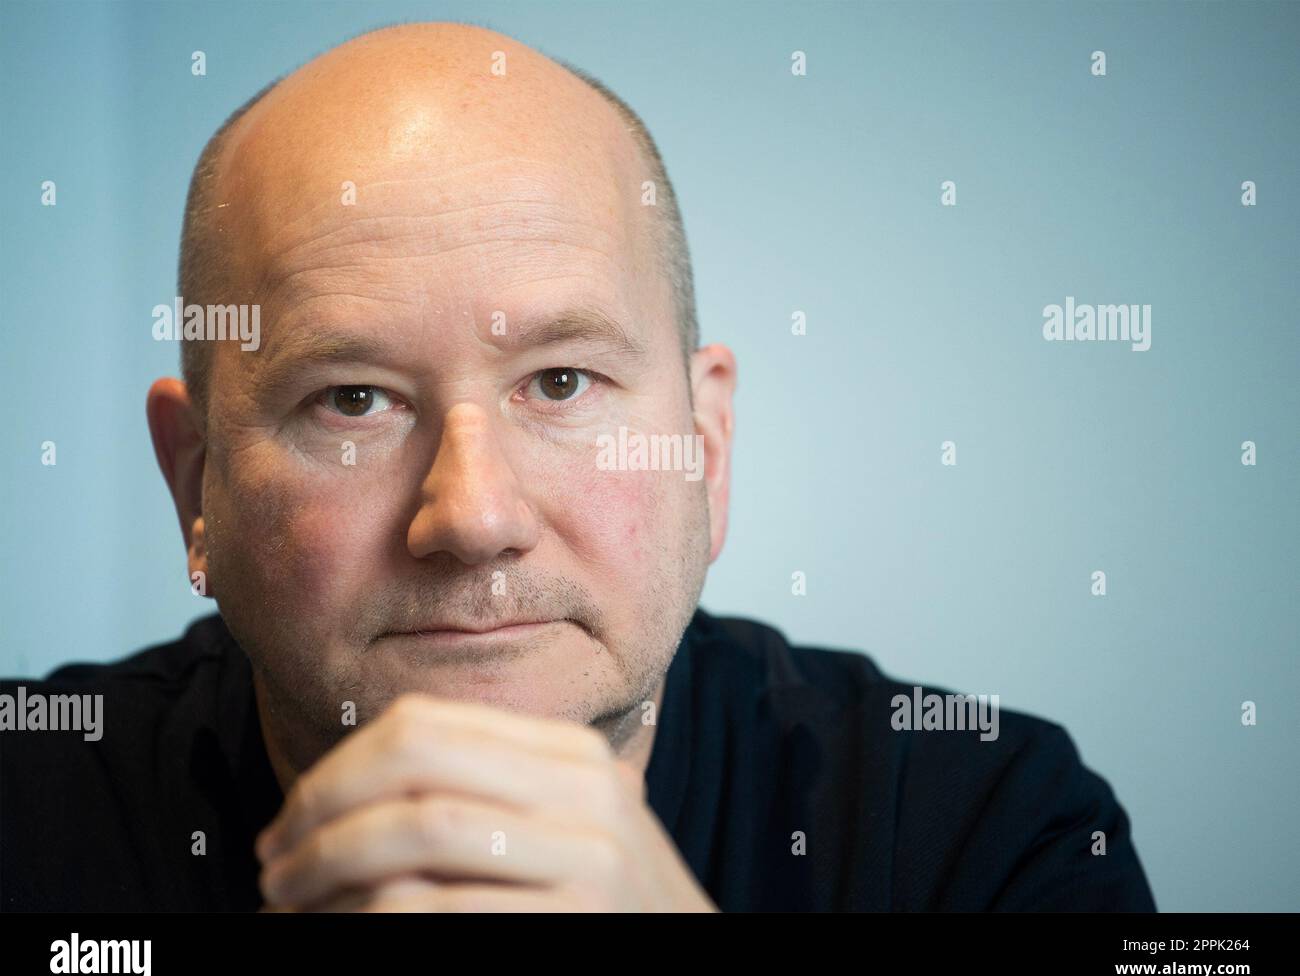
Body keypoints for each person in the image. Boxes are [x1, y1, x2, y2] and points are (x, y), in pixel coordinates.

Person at [0, 22, 1156, 913]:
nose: (473, 515)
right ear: (194, 484)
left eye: (559, 383)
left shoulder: (987, 829)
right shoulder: (31, 813)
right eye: (352, 400)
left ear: (704, 444)